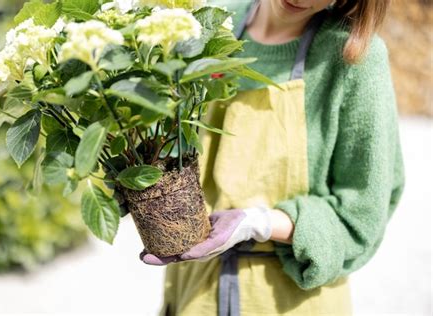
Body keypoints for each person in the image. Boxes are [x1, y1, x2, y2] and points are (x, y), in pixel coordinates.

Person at [140, 0, 406, 315]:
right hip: (196, 292)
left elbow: (363, 213)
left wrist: (258, 223)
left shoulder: (353, 56)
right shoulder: (206, 28)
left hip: (290, 301)